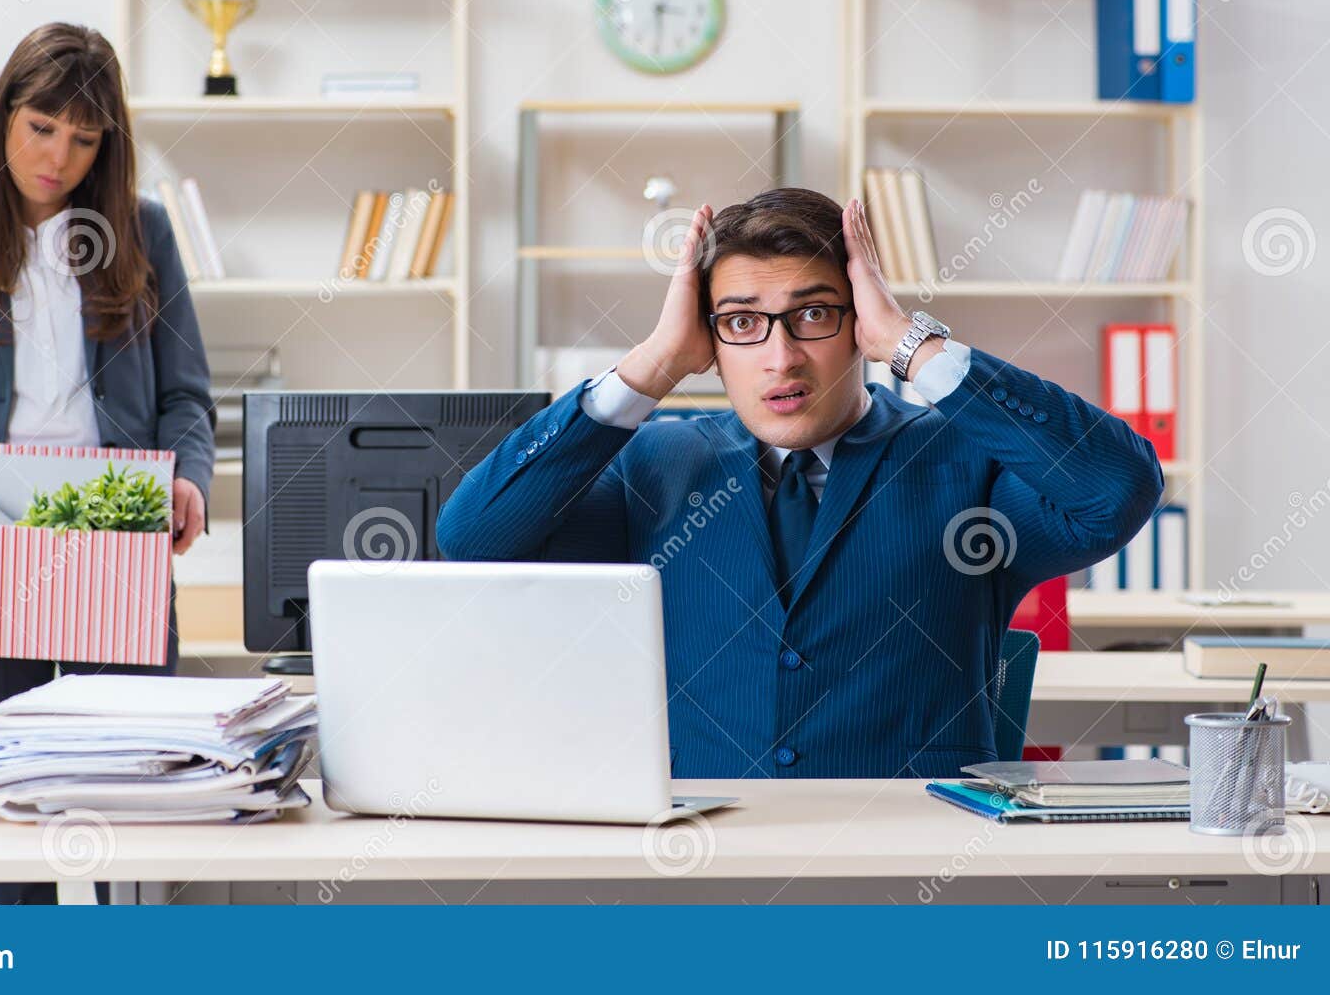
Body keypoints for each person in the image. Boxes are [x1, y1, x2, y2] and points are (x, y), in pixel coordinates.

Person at [436, 187, 1162, 779]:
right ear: (709, 341)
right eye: (741, 322)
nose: (781, 358)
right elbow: (473, 540)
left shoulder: (964, 462)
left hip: (911, 862)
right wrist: (655, 362)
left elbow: (1116, 491)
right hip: (707, 859)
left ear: (859, 324)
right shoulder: (656, 466)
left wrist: (915, 347)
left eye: (814, 314)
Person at [0, 22, 215, 903]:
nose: (59, 156)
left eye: (84, 139)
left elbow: (186, 397)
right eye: (41, 127)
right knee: (2, 819)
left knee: (123, 815)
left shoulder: (142, 233)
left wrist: (188, 480)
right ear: (4, 119)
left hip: (114, 540)